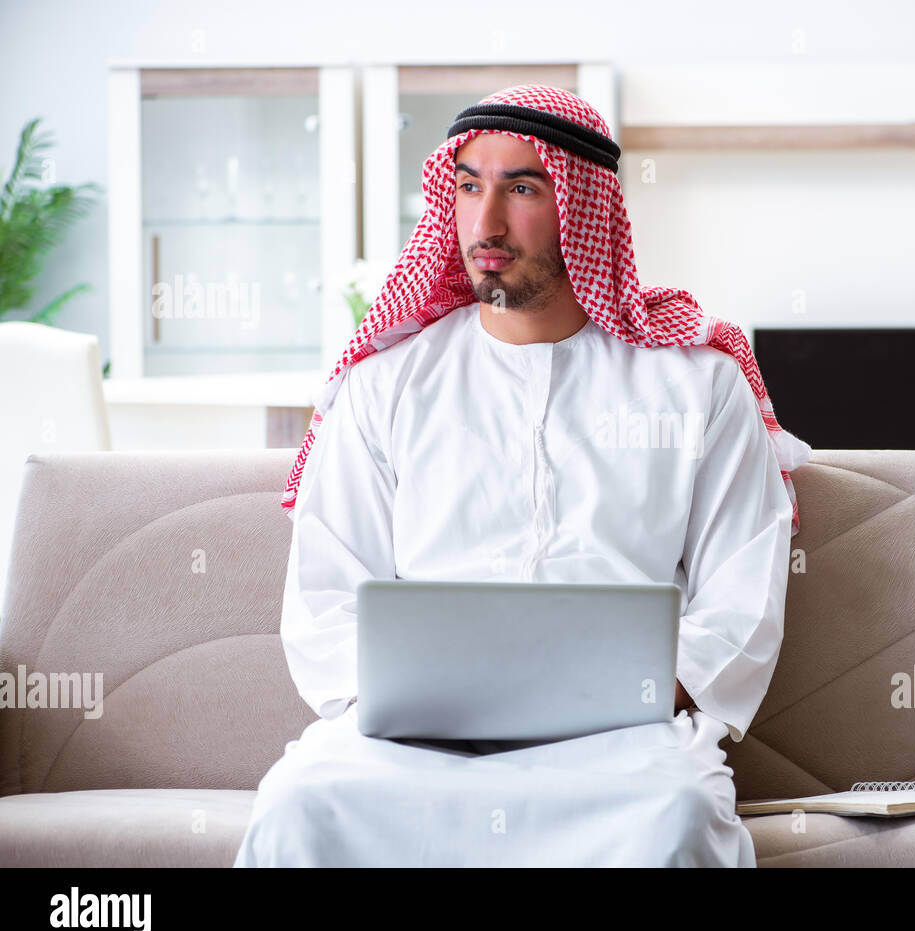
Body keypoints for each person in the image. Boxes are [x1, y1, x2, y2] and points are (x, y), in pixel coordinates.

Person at [233, 85, 811, 867]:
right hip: (413, 748)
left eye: (522, 188)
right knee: (300, 802)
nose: (485, 221)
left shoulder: (697, 386)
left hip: (620, 750)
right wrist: (419, 697)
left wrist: (626, 691)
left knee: (677, 812)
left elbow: (740, 600)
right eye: (468, 185)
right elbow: (325, 597)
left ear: (583, 206)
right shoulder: (387, 386)